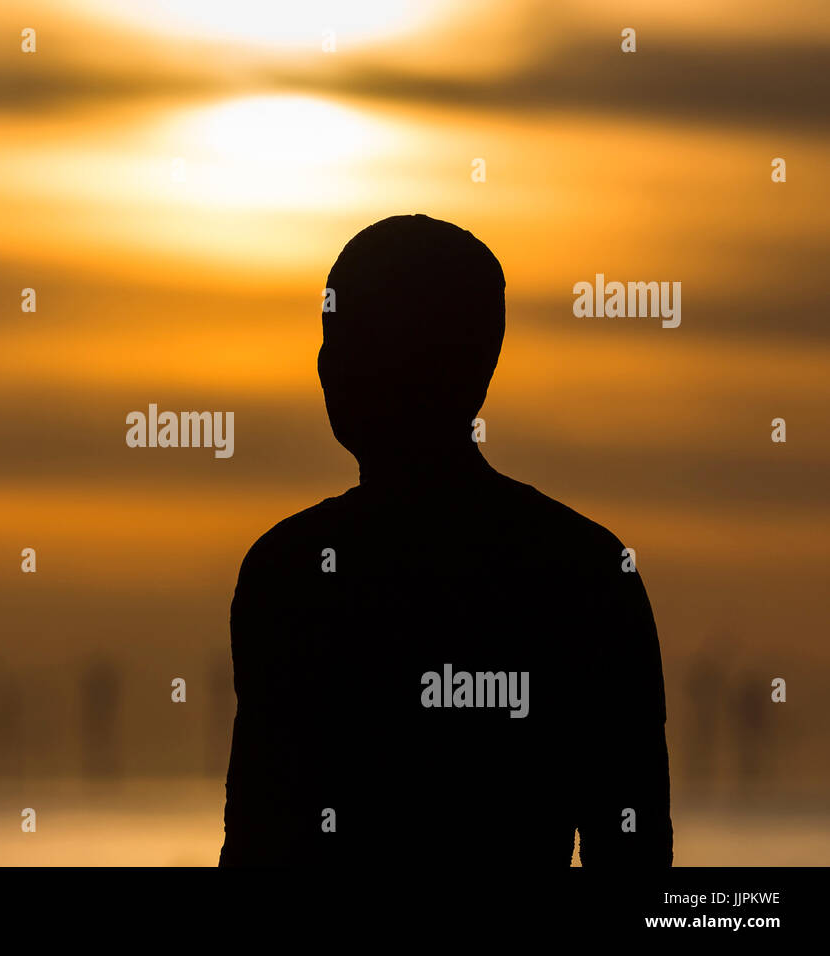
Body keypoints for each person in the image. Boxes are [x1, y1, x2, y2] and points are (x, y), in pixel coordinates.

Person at [219, 215, 672, 866]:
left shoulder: (292, 573)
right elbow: (635, 849)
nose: (330, 363)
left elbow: (259, 842)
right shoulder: (586, 570)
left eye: (355, 339)